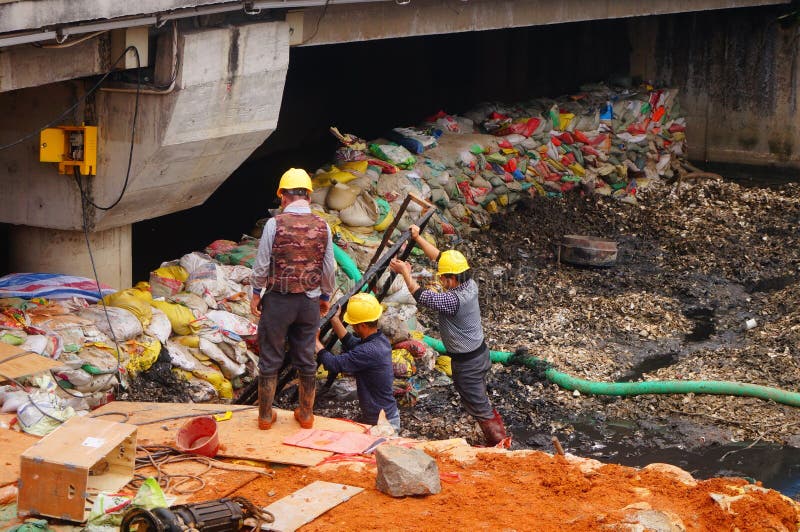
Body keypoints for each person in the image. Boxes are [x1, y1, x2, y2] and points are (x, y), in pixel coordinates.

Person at [389, 225, 508, 446]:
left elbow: (422, 296)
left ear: (452, 279)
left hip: (468, 362)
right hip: (479, 353)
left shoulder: (453, 300)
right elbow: (441, 257)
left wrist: (405, 272)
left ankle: (500, 444)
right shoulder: (469, 283)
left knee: (478, 404)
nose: (441, 281)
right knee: (477, 398)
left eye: (443, 278)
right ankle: (495, 437)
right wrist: (418, 238)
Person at [250, 168, 335, 431]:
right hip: (308, 303)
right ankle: (306, 415)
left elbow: (262, 264)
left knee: (270, 358)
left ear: (283, 196)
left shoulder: (274, 224)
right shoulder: (323, 226)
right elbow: (329, 268)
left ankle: (265, 417)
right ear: (308, 196)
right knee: (306, 357)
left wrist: (255, 293)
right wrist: (324, 296)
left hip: (278, 302)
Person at [315, 293, 400, 431]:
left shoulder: (369, 351)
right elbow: (353, 343)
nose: (352, 327)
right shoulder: (379, 340)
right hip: (383, 416)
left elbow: (333, 364)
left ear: (363, 325)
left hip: (383, 424)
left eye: (354, 324)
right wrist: (335, 320)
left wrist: (315, 342)